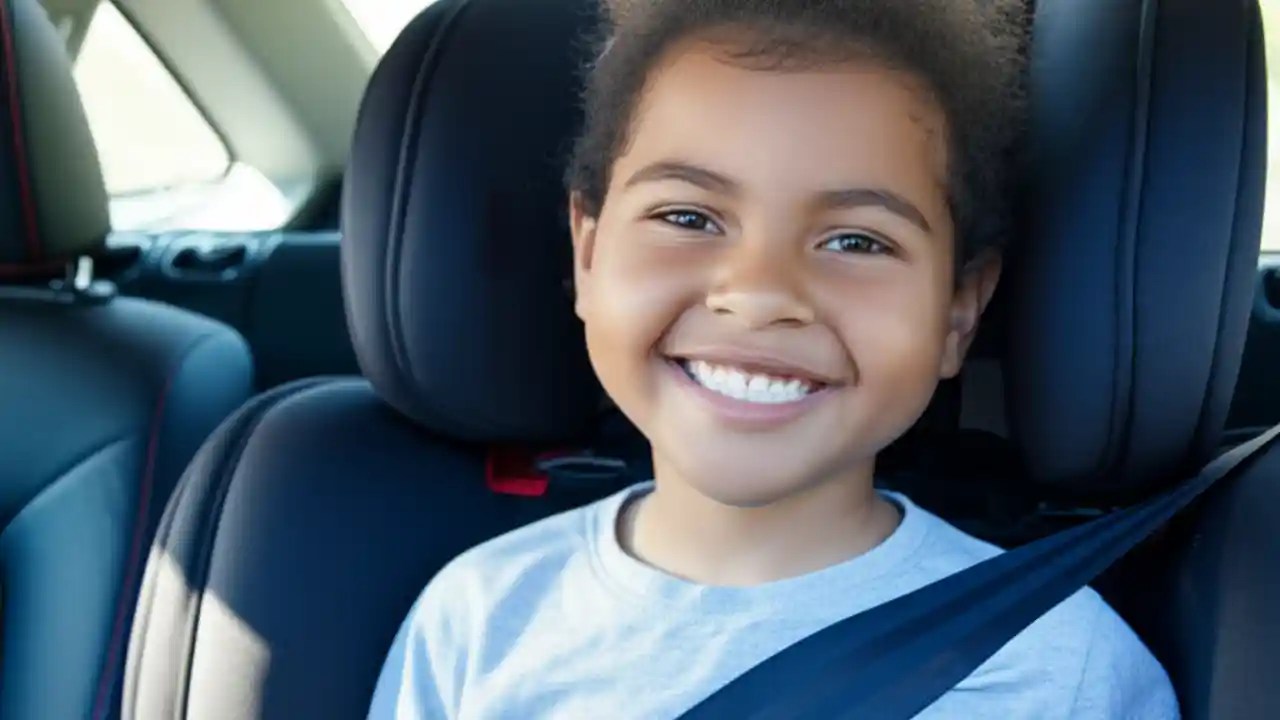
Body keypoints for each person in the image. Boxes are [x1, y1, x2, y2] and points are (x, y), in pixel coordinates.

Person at [369, 0, 1179, 717]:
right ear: (588, 253)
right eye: (688, 217)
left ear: (958, 312)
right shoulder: (479, 621)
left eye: (856, 241)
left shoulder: (1058, 671)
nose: (759, 294)